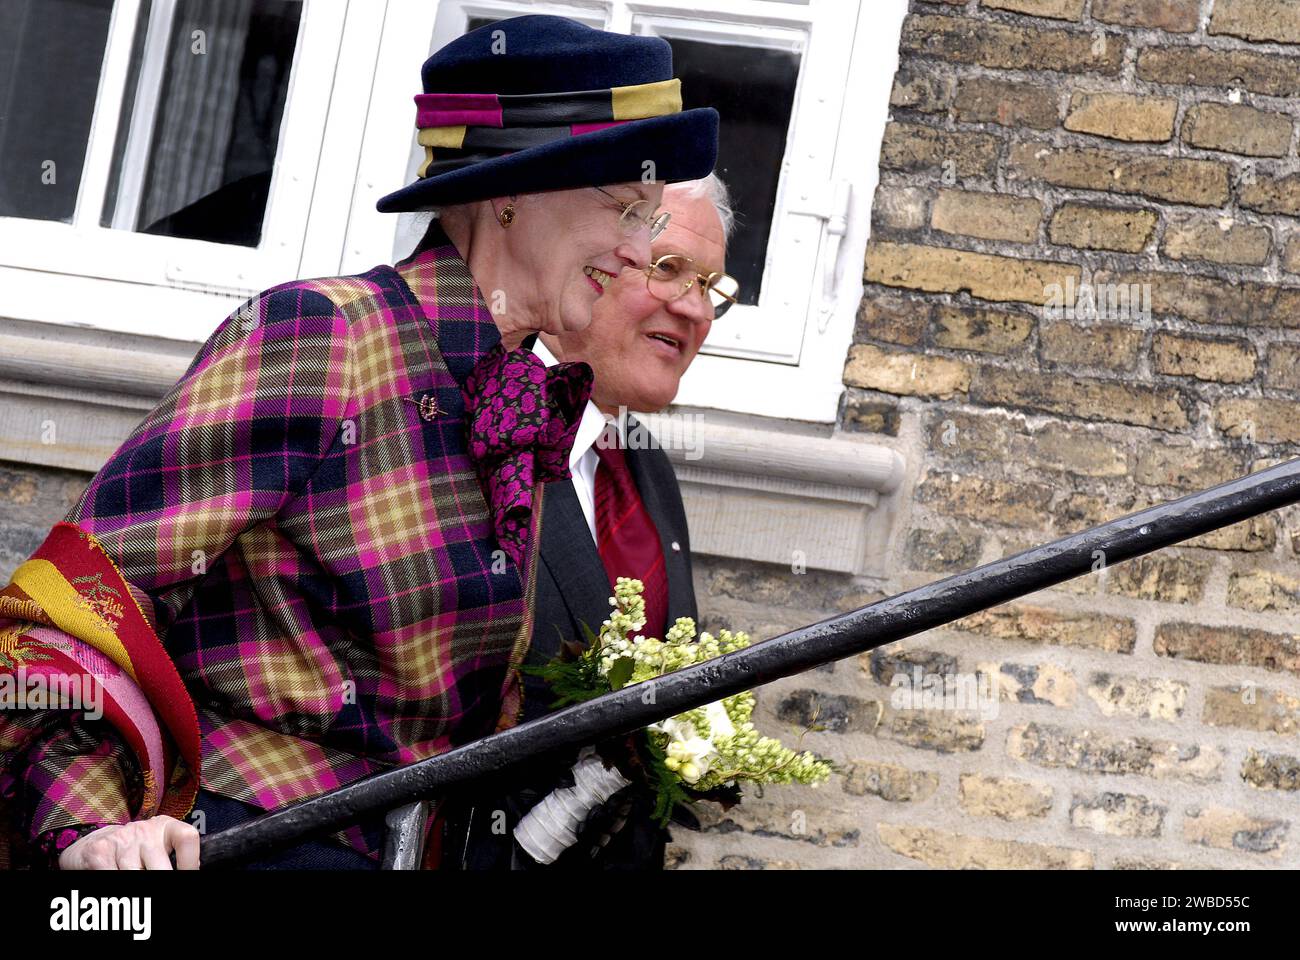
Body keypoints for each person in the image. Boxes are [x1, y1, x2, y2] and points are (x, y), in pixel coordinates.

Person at [0, 14, 717, 870]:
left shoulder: (514, 394)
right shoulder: (325, 334)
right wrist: (93, 831)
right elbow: (79, 598)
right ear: (511, 194)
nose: (639, 251)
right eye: (625, 209)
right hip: (251, 843)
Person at [439, 174, 738, 870]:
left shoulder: (645, 467)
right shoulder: (478, 418)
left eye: (710, 286)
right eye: (669, 268)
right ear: (598, 257)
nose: (694, 308)